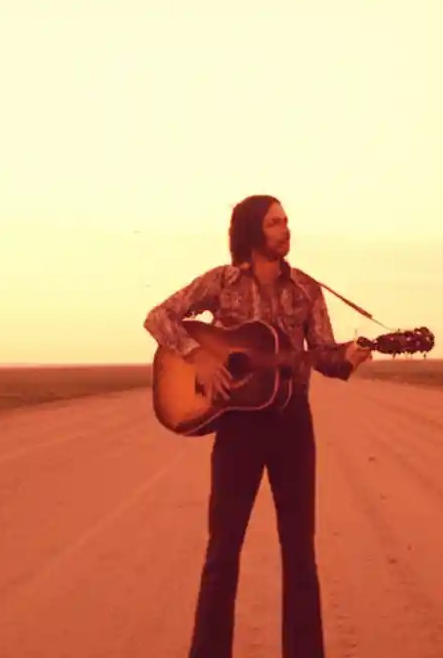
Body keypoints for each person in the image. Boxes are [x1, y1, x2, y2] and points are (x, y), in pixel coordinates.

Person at [143, 194, 373, 658]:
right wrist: (198, 357)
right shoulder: (221, 283)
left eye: (287, 221)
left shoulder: (307, 289)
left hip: (292, 426)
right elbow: (159, 317)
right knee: (223, 552)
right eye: (275, 222)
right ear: (252, 231)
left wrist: (347, 358)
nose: (286, 229)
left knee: (300, 554)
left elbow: (324, 353)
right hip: (239, 430)